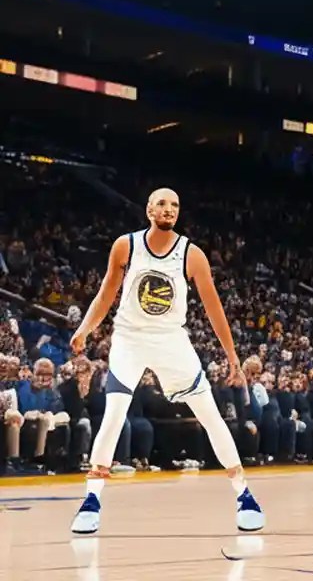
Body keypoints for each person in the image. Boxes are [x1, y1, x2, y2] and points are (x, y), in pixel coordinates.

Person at [66, 188, 265, 535]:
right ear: (148, 210)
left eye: (174, 205)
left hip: (172, 341)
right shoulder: (125, 245)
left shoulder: (192, 254)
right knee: (114, 414)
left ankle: (244, 494)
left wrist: (231, 354)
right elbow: (106, 293)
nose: (168, 209)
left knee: (211, 417)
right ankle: (91, 501)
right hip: (129, 338)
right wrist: (84, 329)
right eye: (161, 203)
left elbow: (213, 307)